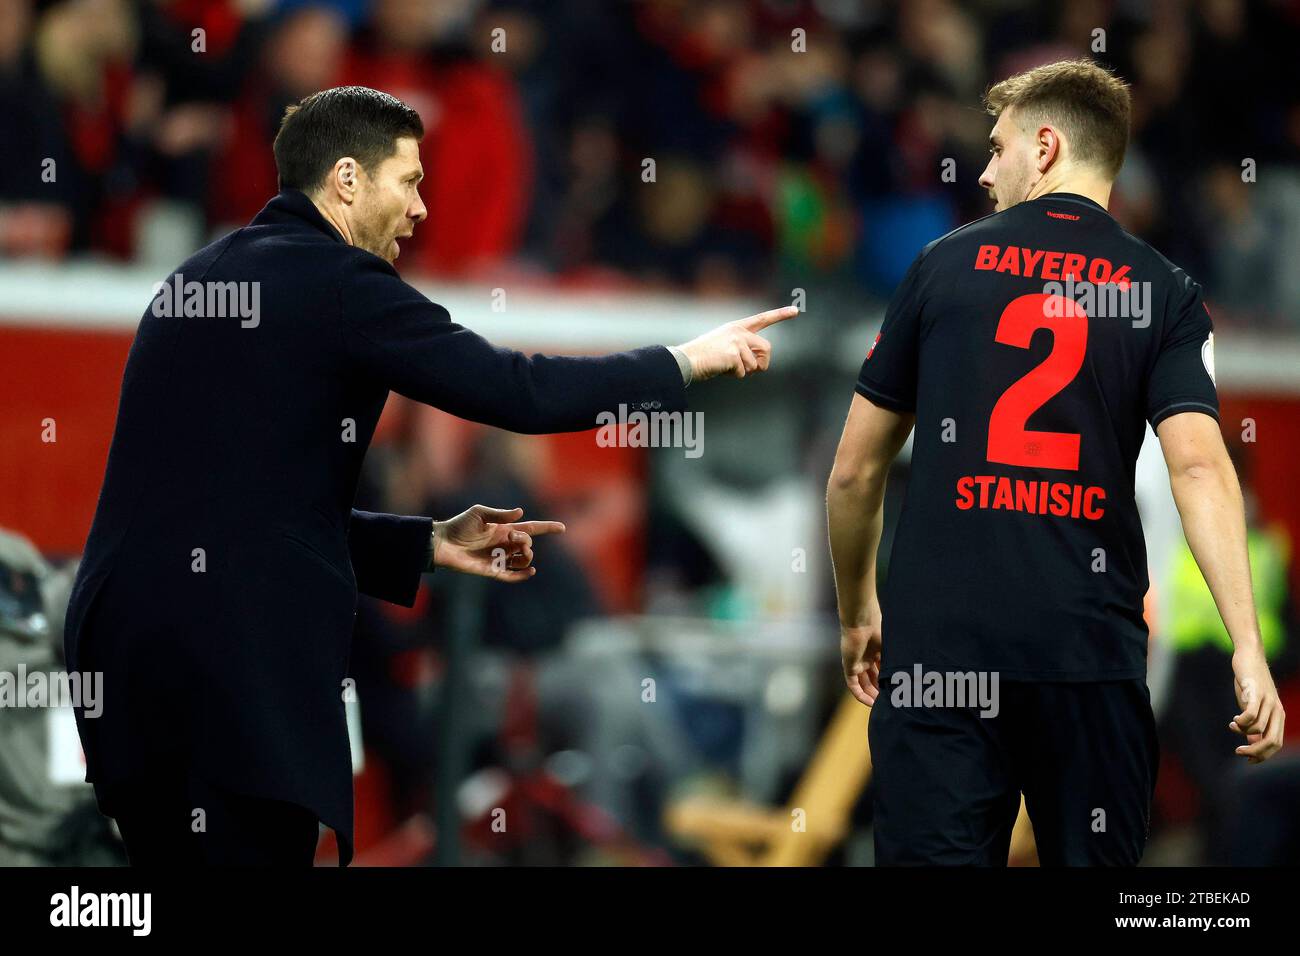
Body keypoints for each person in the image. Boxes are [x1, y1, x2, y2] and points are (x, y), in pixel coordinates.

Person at [64, 85, 796, 866]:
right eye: (408, 181)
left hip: (125, 663)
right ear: (347, 179)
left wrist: (423, 543)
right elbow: (517, 390)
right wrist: (683, 361)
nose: (420, 209)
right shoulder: (339, 281)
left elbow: (231, 512)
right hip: (232, 675)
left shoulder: (194, 280)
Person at [826, 59, 1285, 866]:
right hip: (1087, 663)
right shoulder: (1165, 290)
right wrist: (1246, 644)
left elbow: (854, 474)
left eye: (996, 147)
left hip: (944, 662)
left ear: (1045, 147)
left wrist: (857, 610)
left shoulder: (942, 264)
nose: (983, 169)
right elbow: (1202, 472)